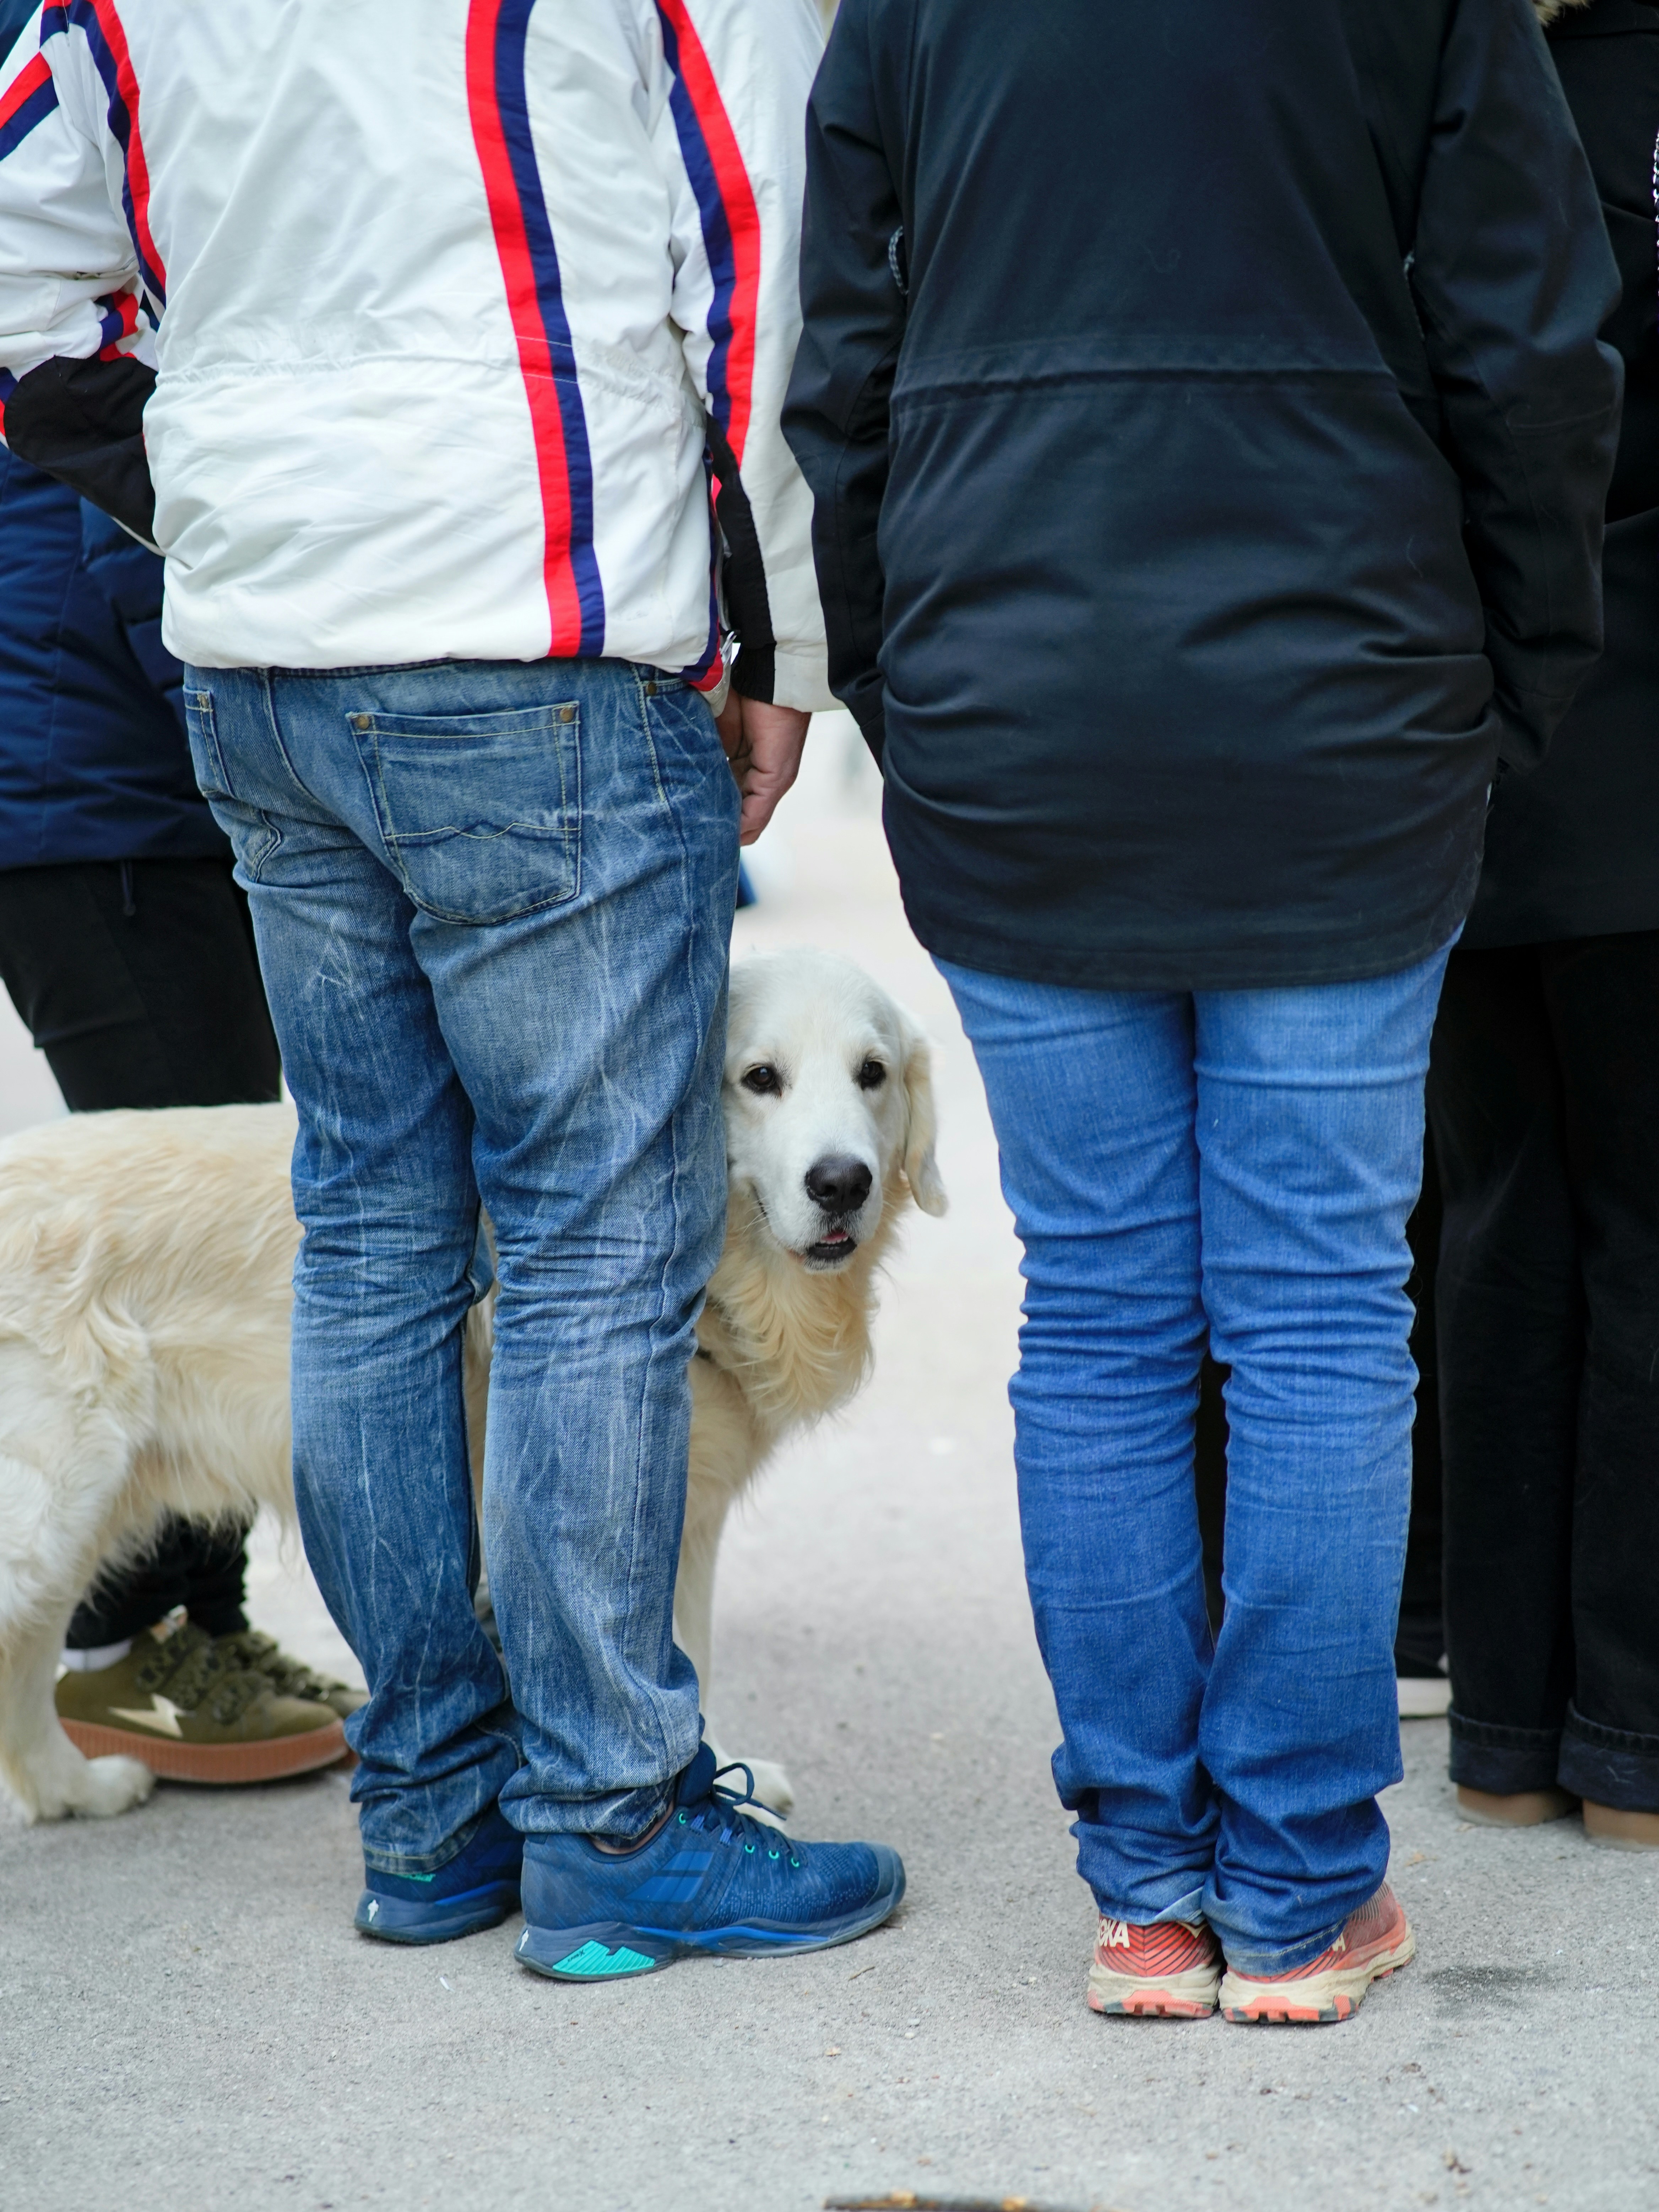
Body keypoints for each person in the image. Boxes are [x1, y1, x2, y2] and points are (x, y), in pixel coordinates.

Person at [0, 0, 905, 1974]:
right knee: (592, 1247)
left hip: (271, 660)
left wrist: (220, 500)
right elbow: (761, 258)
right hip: (539, 635)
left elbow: (23, 263)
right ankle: (610, 1820)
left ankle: (431, 1814)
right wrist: (784, 646)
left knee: (374, 1232)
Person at [786, 0, 1619, 2022]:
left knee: (1101, 1312)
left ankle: (1150, 1892)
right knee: (1318, 1307)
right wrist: (1519, 668)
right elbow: (1529, 347)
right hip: (1344, 697)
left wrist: (913, 682)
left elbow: (843, 371)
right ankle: (1307, 1893)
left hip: (1019, 704)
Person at [0, 437, 360, 1780]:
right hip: (105, 805)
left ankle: (189, 1628)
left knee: (211, 1257)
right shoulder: (99, 336)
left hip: (117, 794)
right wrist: (285, 765)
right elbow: (148, 539)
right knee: (176, 1263)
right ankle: (142, 1647)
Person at [1428, 0, 1659, 1848]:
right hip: (1616, 698)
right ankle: (1635, 1731)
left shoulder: (1462, 74)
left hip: (1481, 729)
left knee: (1501, 1221)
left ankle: (1507, 1725)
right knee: (1644, 1234)